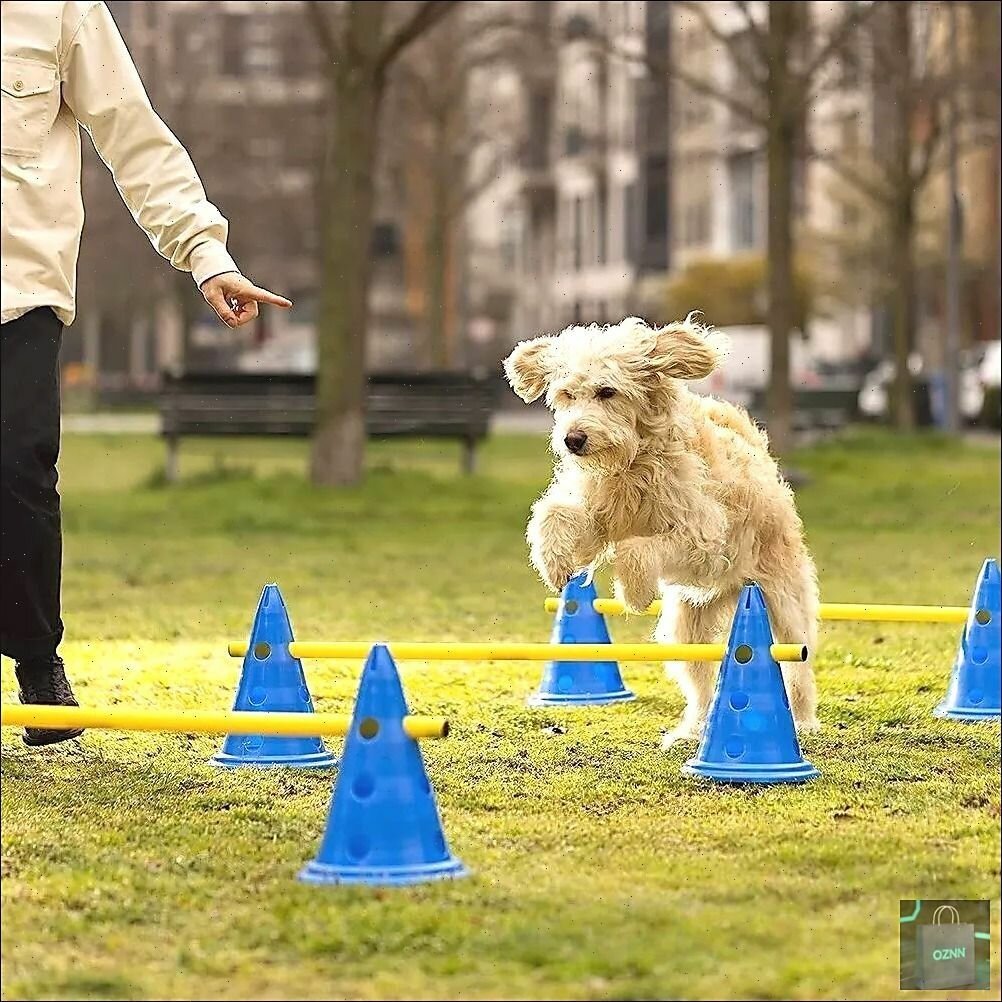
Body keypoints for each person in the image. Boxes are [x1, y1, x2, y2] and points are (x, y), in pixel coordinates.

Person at [1, 1, 292, 745]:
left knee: (20, 468)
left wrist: (205, 255)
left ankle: (37, 659)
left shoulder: (60, 10)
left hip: (17, 291)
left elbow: (134, 136)